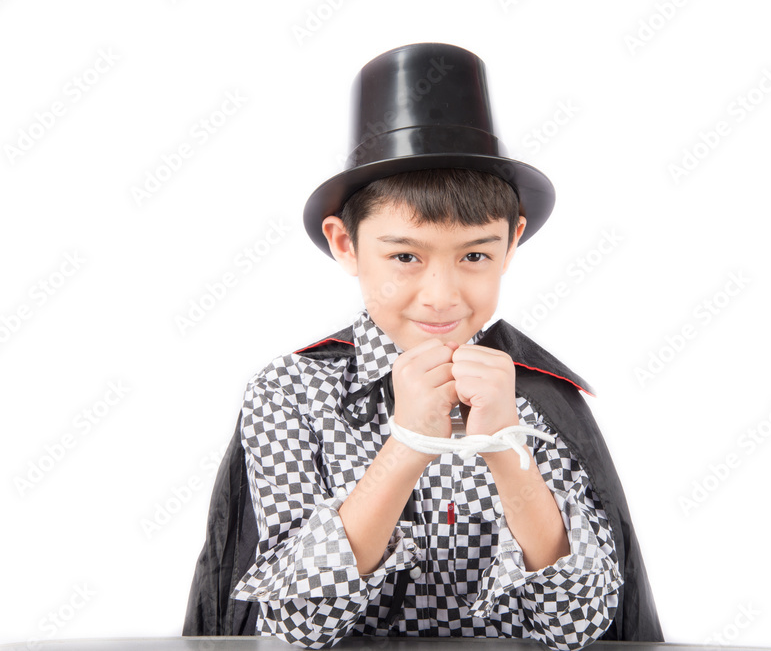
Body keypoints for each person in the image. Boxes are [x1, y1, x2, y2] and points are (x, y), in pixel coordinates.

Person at [183, 42, 662, 650]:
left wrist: (506, 444)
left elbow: (579, 627)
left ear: (511, 244)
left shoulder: (540, 395)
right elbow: (298, 624)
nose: (441, 295)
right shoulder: (290, 391)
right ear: (345, 243)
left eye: (475, 256)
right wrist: (406, 446)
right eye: (405, 256)